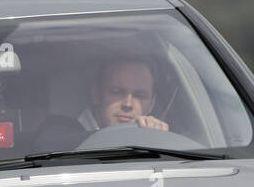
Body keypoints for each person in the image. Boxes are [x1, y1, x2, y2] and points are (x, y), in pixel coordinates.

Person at [32, 58, 169, 151]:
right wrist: (133, 135)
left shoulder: (165, 141)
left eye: (139, 96)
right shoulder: (57, 130)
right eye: (117, 92)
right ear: (96, 95)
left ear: (151, 104)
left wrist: (159, 140)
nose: (128, 104)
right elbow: (47, 146)